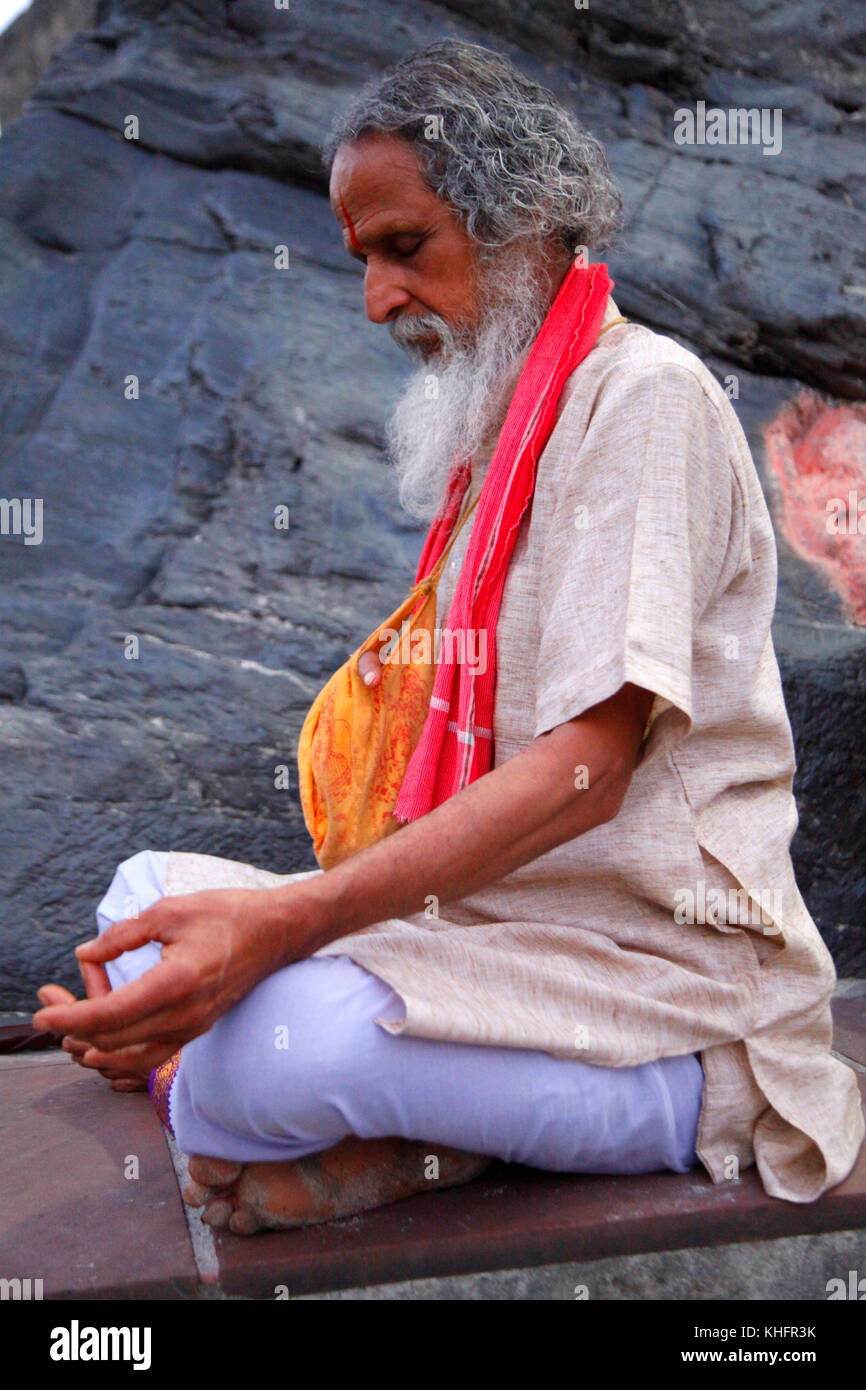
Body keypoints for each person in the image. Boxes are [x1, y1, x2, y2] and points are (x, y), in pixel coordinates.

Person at [34, 40, 863, 1236]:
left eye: (403, 249)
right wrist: (235, 944)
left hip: (663, 1002)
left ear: (521, 216)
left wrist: (286, 929)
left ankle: (356, 1112)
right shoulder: (505, 436)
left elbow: (584, 773)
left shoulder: (644, 401)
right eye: (361, 260)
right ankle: (411, 1118)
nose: (376, 301)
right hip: (498, 938)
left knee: (254, 1052)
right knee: (140, 904)